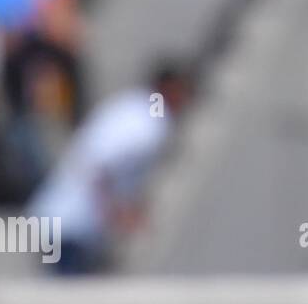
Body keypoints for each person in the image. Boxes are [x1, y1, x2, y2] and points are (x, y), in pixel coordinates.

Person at [27, 59, 193, 275]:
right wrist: (119, 212)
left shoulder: (132, 107)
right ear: (169, 89)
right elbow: (98, 164)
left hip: (66, 220)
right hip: (72, 222)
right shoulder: (148, 124)